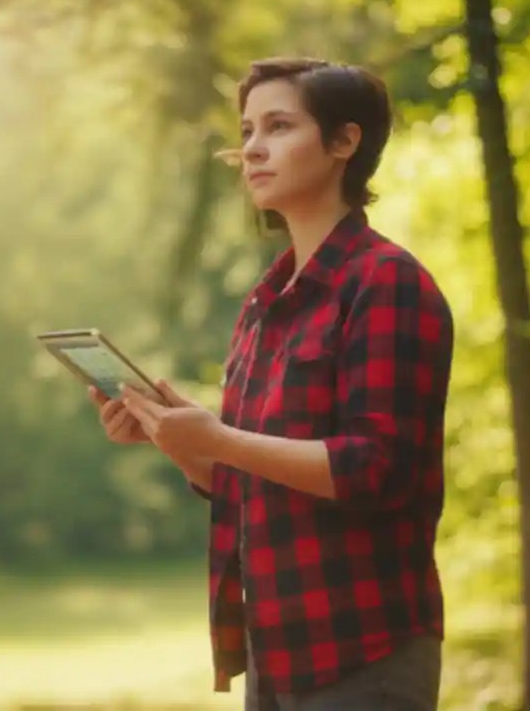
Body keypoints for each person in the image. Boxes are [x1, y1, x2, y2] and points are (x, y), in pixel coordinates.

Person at [88, 57, 454, 710]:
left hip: (364, 649)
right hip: (276, 648)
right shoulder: (266, 302)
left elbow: (376, 470)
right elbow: (257, 479)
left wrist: (222, 440)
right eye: (248, 129)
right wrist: (182, 443)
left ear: (345, 142)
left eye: (279, 126)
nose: (252, 148)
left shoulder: (386, 282)